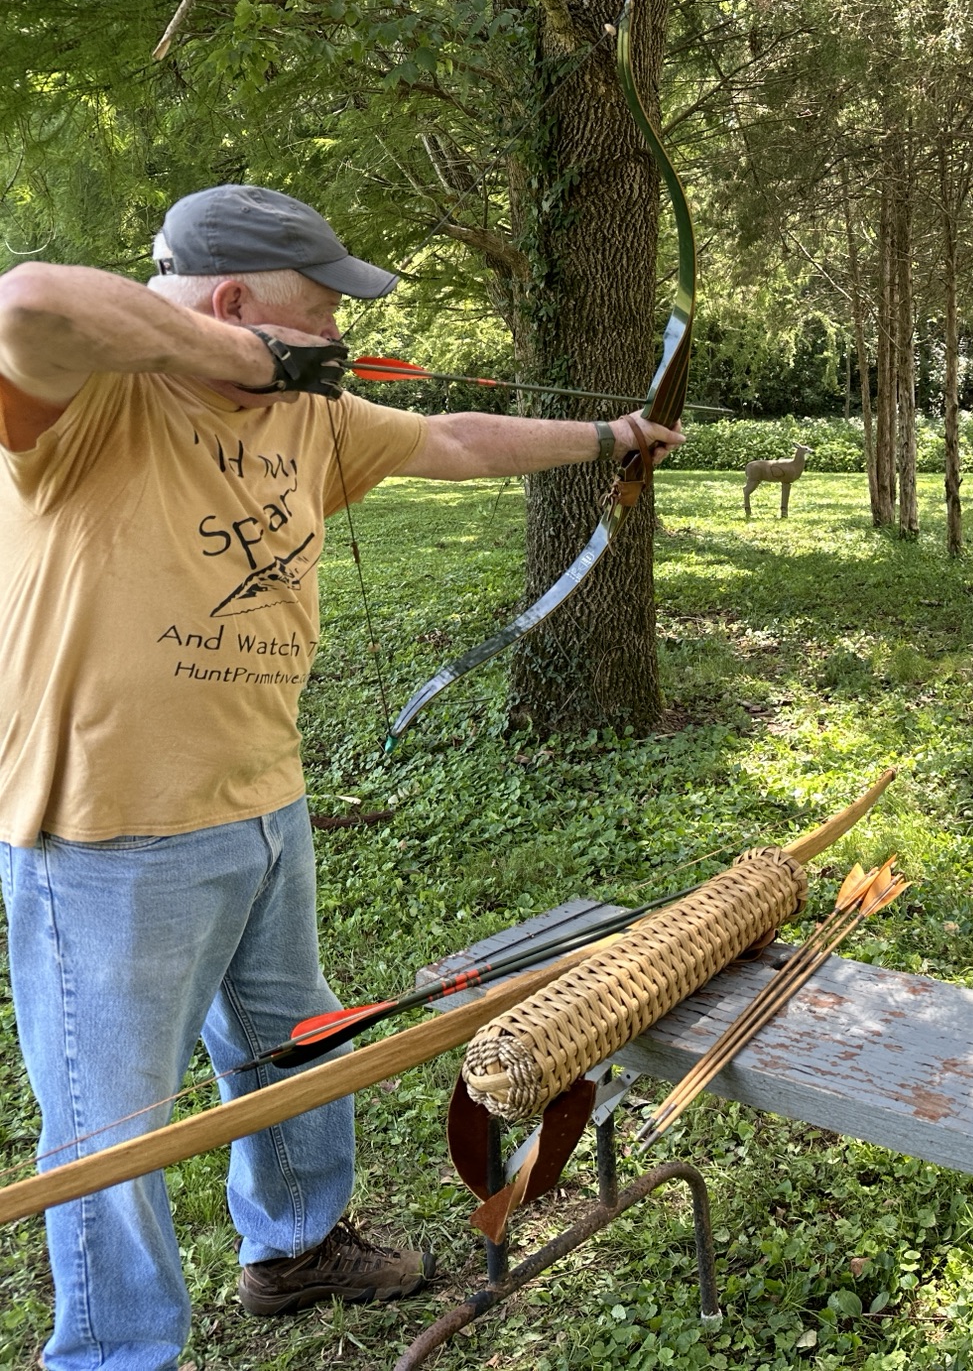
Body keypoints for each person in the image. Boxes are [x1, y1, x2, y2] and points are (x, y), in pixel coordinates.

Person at [0, 184, 681, 1371]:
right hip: (109, 834)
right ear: (233, 302)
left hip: (265, 801)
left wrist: (609, 439)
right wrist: (243, 354)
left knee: (299, 1040)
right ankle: (114, 1354)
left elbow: (459, 437)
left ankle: (297, 1245)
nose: (338, 340)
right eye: (317, 313)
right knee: (110, 1127)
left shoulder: (310, 422)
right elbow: (32, 301)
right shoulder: (86, 406)